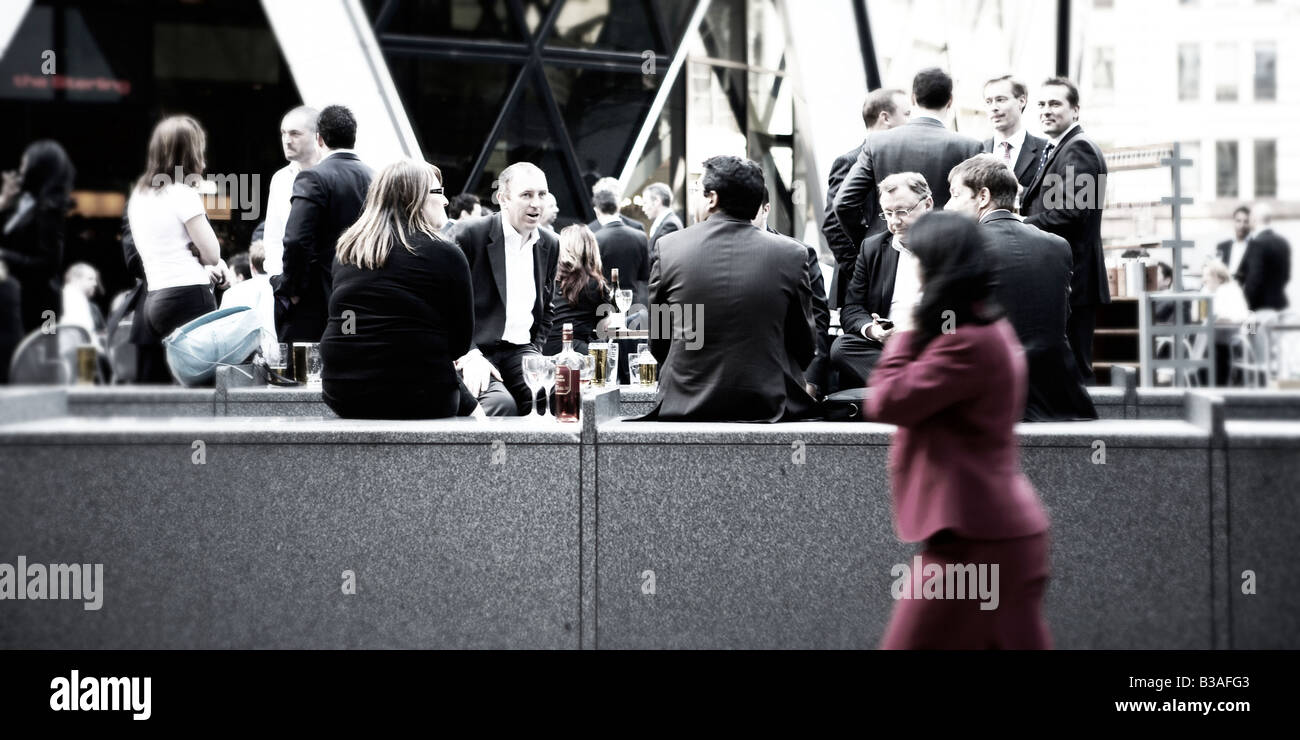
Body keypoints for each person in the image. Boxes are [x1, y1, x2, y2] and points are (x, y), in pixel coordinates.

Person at [867, 211, 1051, 650]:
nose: (907, 266)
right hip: (985, 536)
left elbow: (886, 399)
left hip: (979, 544)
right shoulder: (981, 330)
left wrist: (907, 326)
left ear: (934, 267)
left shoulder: (966, 343)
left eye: (914, 258)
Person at [644, 155, 815, 422]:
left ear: (712, 198)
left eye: (698, 189)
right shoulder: (791, 254)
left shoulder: (669, 247)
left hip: (684, 400)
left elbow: (660, 339)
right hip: (768, 401)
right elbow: (804, 344)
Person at [945, 154, 1096, 421]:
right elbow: (1061, 318)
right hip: (1060, 398)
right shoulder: (1058, 245)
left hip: (989, 398)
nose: (947, 207)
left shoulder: (960, 247)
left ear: (982, 196)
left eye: (956, 195)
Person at [320, 160, 475, 419]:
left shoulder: (347, 252)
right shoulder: (446, 254)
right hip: (419, 396)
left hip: (341, 391)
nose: (446, 201)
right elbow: (460, 344)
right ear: (413, 199)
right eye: (438, 193)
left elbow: (348, 325)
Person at [450, 162, 560, 416]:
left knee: (558, 394)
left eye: (542, 194)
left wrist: (535, 349)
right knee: (500, 405)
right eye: (526, 195)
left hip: (521, 350)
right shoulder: (469, 235)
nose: (536, 203)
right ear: (503, 199)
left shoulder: (550, 244)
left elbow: (547, 305)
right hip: (474, 350)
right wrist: (468, 352)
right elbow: (445, 304)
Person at [1021, 76, 1110, 384]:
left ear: (1076, 111)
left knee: (1075, 370)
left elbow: (1074, 211)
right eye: (1042, 104)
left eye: (1055, 104)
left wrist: (1021, 225)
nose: (1046, 110)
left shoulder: (1079, 148)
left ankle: (1088, 433)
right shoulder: (1060, 148)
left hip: (1076, 278)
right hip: (1067, 276)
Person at [126, 116, 229, 377]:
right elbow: (213, 254)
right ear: (190, 152)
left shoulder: (139, 195)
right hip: (189, 297)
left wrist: (193, 248)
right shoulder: (182, 193)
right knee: (203, 389)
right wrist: (196, 249)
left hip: (156, 298)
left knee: (171, 392)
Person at [833, 69, 981, 249]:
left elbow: (844, 202)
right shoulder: (969, 147)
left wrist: (869, 239)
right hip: (947, 248)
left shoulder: (878, 142)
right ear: (950, 101)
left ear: (913, 98)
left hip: (889, 248)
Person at [278, 104, 374, 344]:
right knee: (348, 352)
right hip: (362, 292)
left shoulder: (313, 177)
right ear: (354, 137)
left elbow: (296, 240)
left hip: (318, 296)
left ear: (319, 139)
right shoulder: (376, 177)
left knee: (305, 369)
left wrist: (292, 289)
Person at [830, 172, 933, 387]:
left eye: (903, 211)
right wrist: (873, 330)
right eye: (888, 213)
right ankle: (916, 388)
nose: (895, 222)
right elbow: (852, 309)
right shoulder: (872, 248)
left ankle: (900, 389)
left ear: (928, 204)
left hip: (932, 344)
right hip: (886, 348)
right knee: (842, 348)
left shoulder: (950, 243)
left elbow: (955, 311)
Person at [823, 88, 909, 308]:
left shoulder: (902, 161)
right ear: (885, 117)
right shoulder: (849, 161)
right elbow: (833, 225)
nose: (910, 122)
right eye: (906, 114)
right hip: (859, 283)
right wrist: (864, 269)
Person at [754, 189, 830, 399]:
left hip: (785, 373)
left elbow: (818, 321)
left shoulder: (799, 254)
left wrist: (811, 380)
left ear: (766, 209)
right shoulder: (702, 254)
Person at [0, 140, 75, 334]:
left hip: (43, 306)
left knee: (44, 357)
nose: (20, 170)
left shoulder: (49, 209)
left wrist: (4, 256)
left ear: (38, 167)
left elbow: (48, 264)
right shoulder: (24, 203)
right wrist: (4, 201)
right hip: (19, 300)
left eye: (24, 164)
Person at [262, 106, 320, 281]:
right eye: (283, 133)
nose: (287, 140)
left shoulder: (332, 174)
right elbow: (273, 237)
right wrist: (277, 278)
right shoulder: (280, 179)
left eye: (295, 134)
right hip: (287, 280)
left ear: (317, 136)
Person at [544, 225, 609, 355]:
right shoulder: (594, 284)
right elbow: (605, 325)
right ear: (591, 249)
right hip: (577, 351)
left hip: (543, 349)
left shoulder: (547, 278)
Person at [981, 75, 1047, 196]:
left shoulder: (1046, 150)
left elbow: (1051, 199)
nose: (993, 108)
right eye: (988, 102)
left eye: (1000, 100)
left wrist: (1021, 192)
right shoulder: (978, 150)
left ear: (1022, 101)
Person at [593, 186, 649, 309]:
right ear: (618, 207)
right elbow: (645, 275)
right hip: (633, 303)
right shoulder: (640, 236)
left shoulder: (594, 239)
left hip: (603, 306)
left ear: (597, 210)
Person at [220, 242, 277, 357]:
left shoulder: (232, 293)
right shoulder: (284, 290)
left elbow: (223, 334)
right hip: (282, 356)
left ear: (252, 267)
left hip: (244, 359)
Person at [1236, 204, 1290, 314]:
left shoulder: (1256, 243)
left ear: (1254, 219)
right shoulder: (1282, 242)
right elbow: (1286, 276)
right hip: (1279, 307)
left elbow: (1254, 279)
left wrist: (1246, 305)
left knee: (1251, 331)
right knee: (1273, 332)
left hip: (1257, 309)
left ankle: (1252, 332)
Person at [60, 262, 104, 347]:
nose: (95, 284)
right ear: (76, 279)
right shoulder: (76, 300)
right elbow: (84, 340)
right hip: (76, 356)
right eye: (90, 279)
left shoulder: (71, 297)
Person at [642, 182, 683, 264]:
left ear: (657, 201)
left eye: (645, 203)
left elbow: (657, 259)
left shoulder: (670, 225)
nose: (643, 208)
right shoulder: (667, 222)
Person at [1216, 205, 1252, 279]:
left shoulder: (1255, 248)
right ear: (1233, 222)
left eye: (1246, 221)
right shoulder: (1222, 247)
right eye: (1238, 221)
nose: (1242, 225)